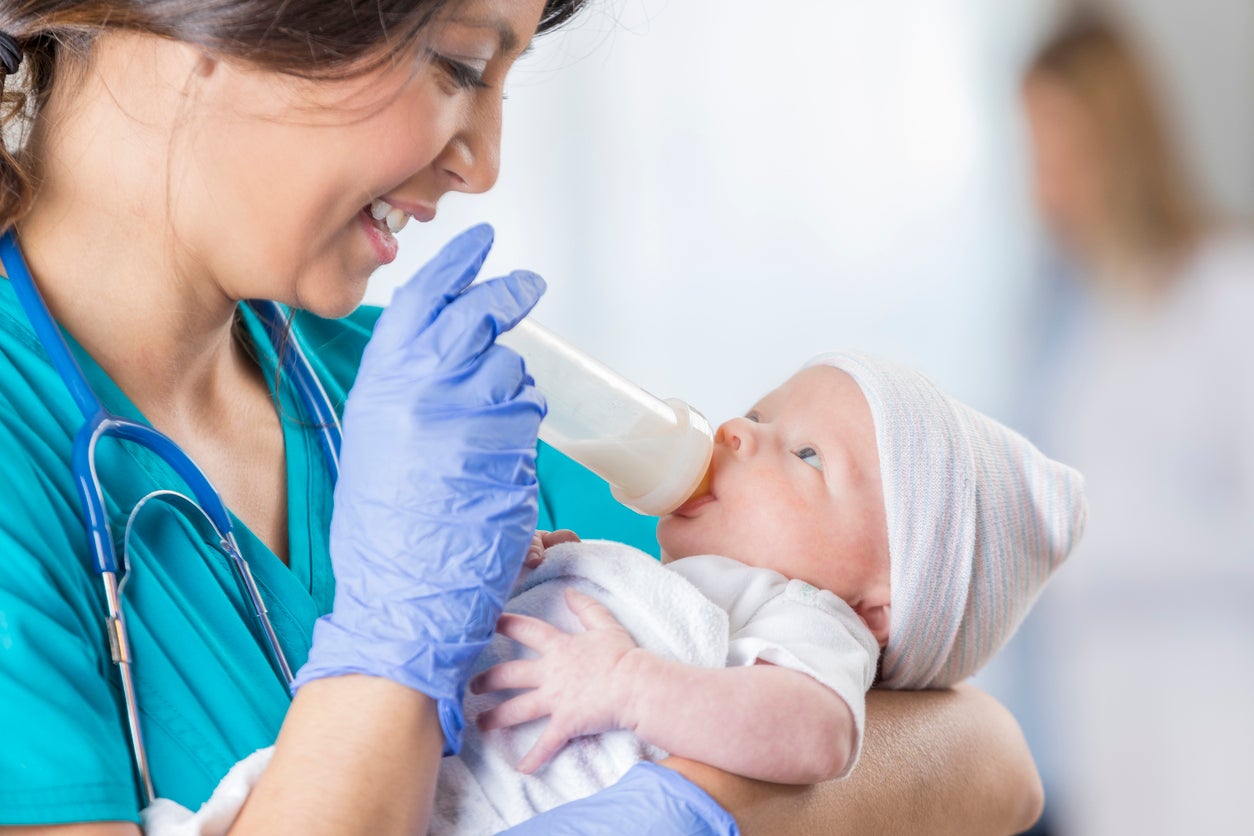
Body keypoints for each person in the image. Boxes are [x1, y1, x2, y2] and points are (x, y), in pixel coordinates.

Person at [0, 2, 1045, 834]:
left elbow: (983, 759)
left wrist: (681, 808)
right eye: (457, 64)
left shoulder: (422, 401)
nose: (486, 161)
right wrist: (388, 649)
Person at [421, 351, 1086, 833]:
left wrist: (630, 685)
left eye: (807, 456)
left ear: (875, 609)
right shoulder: (671, 582)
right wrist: (533, 571)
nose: (734, 431)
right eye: (760, 414)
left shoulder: (810, 616)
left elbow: (816, 735)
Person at [1007, 11, 1254, 834]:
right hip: (1097, 733)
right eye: (1033, 146)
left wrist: (1094, 534)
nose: (1045, 176)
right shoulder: (1062, 323)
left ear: (1122, 140)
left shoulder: (1226, 292)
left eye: (1061, 142)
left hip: (1213, 724)